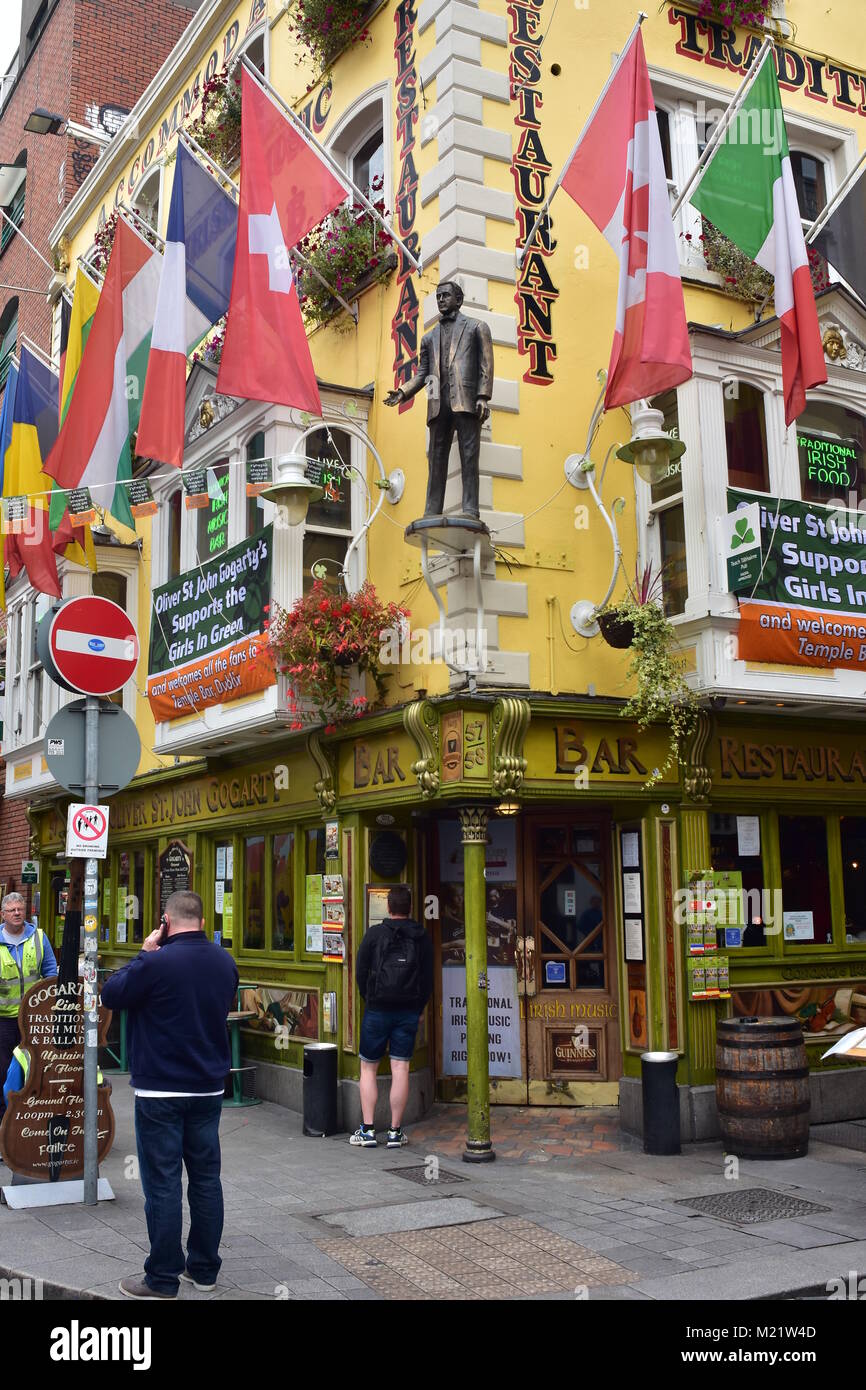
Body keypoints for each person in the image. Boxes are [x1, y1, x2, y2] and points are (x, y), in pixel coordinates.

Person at [101, 891, 238, 1301]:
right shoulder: (224, 962)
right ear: (201, 919)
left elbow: (112, 994)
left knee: (162, 1184)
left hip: (160, 1089)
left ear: (165, 920)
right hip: (209, 1088)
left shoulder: (156, 963)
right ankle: (204, 1270)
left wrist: (144, 952)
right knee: (206, 1179)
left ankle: (162, 1278)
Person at [384, 280, 494, 520]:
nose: (441, 300)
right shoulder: (428, 338)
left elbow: (486, 364)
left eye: (445, 295)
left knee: (469, 456)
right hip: (437, 402)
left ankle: (470, 510)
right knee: (436, 460)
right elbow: (422, 373)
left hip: (465, 400)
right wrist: (403, 392)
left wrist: (483, 397)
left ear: (459, 299)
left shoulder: (477, 327)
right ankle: (432, 510)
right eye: (438, 296)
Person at [352, 885, 433, 1149]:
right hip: (407, 1012)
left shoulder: (374, 935)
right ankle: (395, 1132)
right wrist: (418, 1008)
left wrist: (371, 999)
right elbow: (428, 979)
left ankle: (367, 1130)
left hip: (377, 1010)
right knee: (401, 1068)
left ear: (388, 907)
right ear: (410, 907)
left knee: (368, 1068)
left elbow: (360, 973)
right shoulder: (421, 937)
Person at [0, 891, 57, 1123]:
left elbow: (51, 973)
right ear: (2, 914)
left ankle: (30, 1127)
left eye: (20, 909)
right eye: (12, 910)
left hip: (34, 1020)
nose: (17, 913)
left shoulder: (39, 937)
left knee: (35, 1074)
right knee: (4, 1075)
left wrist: (48, 1008)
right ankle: (5, 1128)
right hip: (4, 1021)